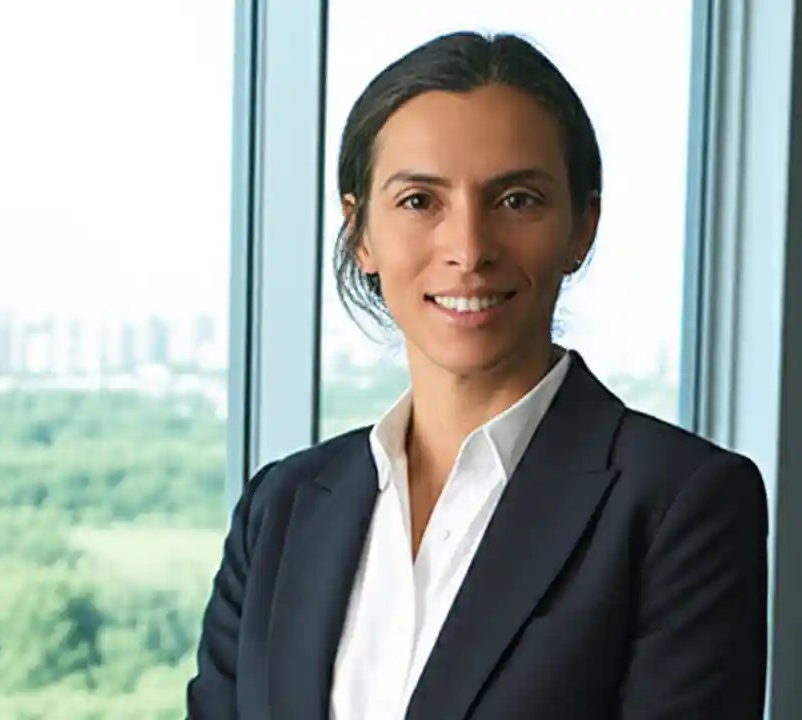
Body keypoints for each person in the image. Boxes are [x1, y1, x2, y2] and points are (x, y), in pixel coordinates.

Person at [186, 30, 768, 720]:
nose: (468, 249)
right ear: (360, 232)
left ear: (582, 226)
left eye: (516, 200)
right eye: (419, 201)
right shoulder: (279, 510)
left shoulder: (680, 506)